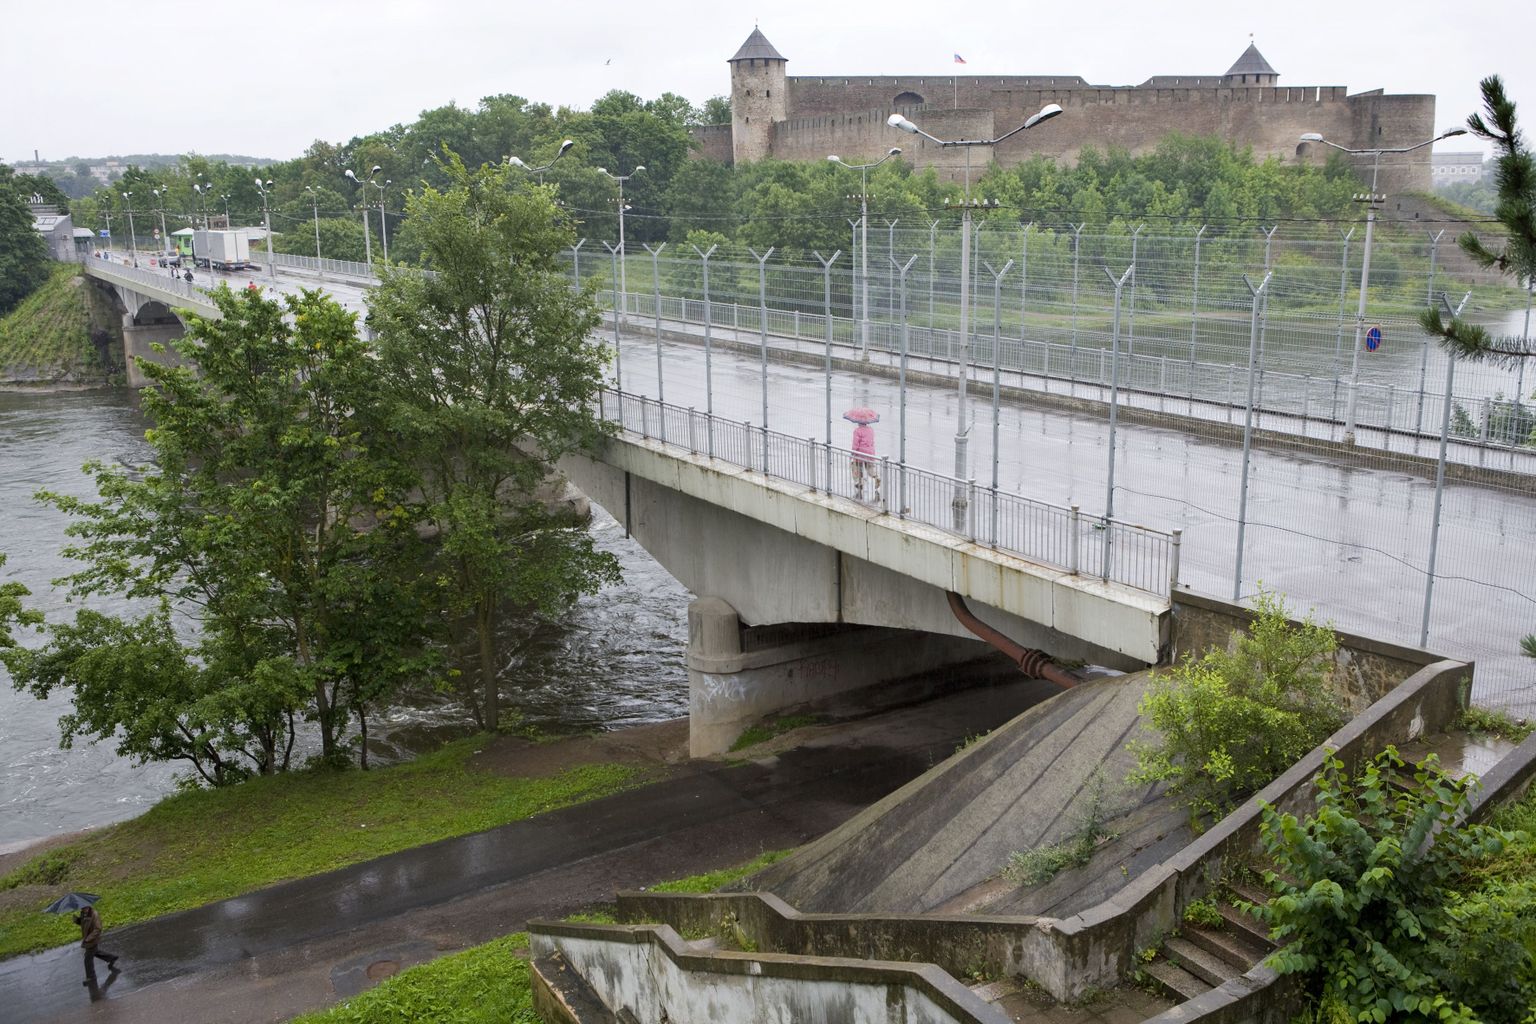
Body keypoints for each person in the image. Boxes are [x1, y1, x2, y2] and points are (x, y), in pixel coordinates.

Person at [74, 905, 119, 986]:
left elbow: (98, 929)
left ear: (88, 907)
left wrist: (89, 938)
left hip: (92, 940)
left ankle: (91, 977)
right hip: (88, 940)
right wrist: (77, 920)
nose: (83, 910)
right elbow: (84, 924)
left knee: (87, 959)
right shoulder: (84, 914)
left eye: (84, 908)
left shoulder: (94, 914)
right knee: (95, 952)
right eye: (82, 908)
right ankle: (111, 958)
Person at [851, 421, 880, 501]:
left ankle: (858, 482)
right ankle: (876, 477)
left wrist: (853, 453)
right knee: (870, 467)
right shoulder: (871, 430)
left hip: (860, 453)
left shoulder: (857, 431)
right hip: (870, 453)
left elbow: (855, 444)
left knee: (856, 467)